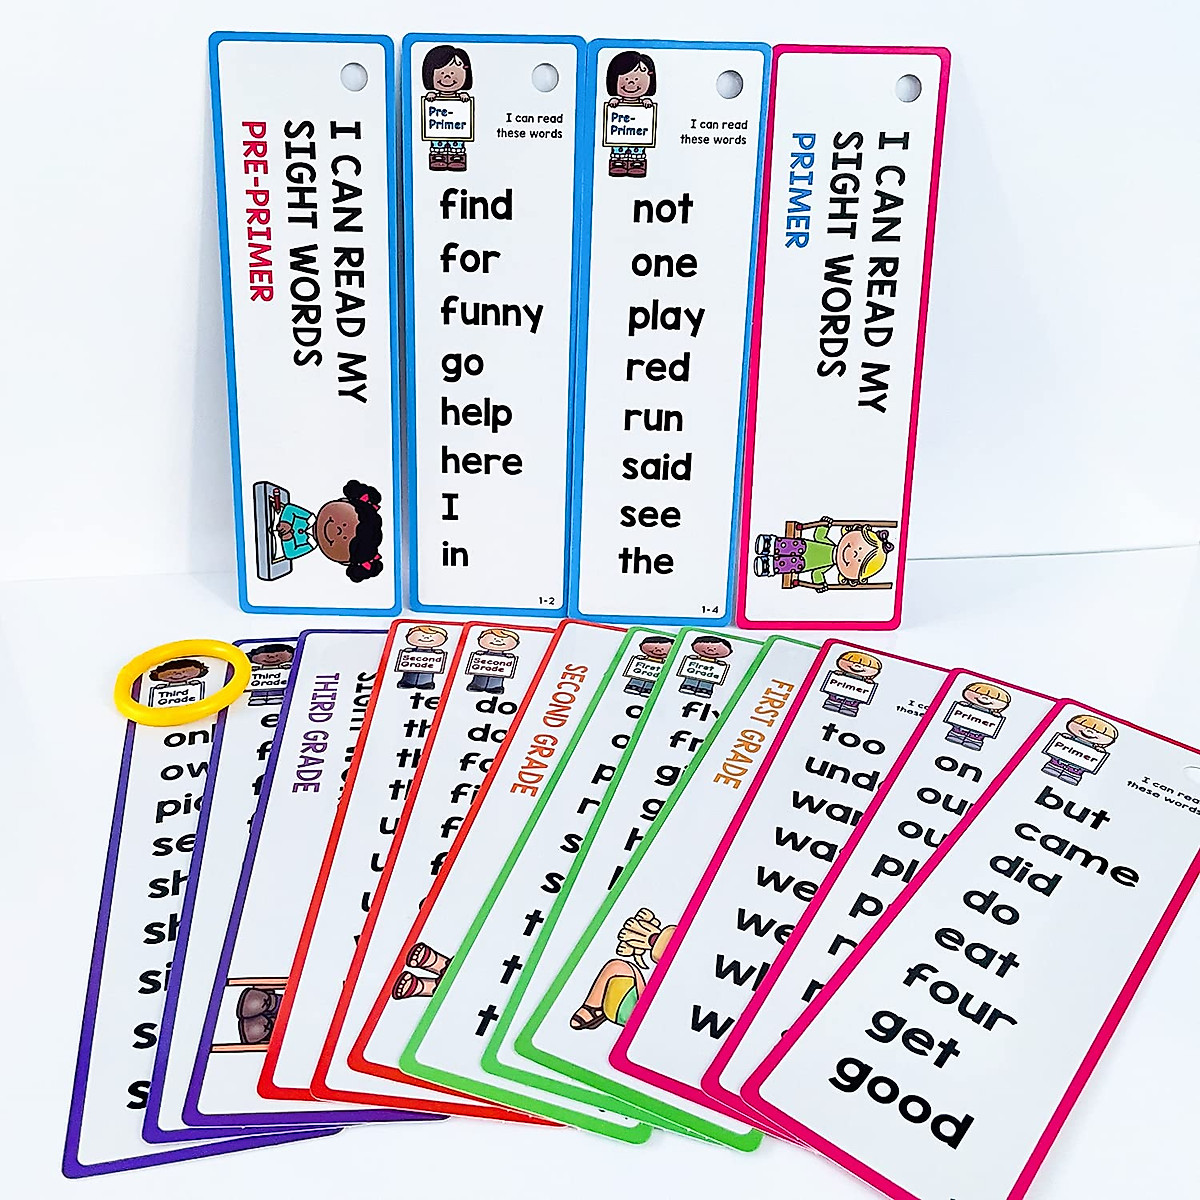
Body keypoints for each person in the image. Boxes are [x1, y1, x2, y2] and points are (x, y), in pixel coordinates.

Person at [571, 908, 675, 1030]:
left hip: (647, 1017)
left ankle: (594, 1009)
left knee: (617, 967)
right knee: (617, 967)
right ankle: (594, 1007)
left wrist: (637, 974)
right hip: (629, 1007)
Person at [274, 479, 384, 582]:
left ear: (344, 562)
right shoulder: (308, 517)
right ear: (343, 501)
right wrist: (286, 521)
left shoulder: (309, 545)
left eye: (346, 540)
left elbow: (290, 553)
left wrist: (288, 539)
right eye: (344, 521)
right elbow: (290, 509)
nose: (340, 531)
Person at [754, 519, 893, 590]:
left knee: (790, 565)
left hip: (802, 565)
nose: (855, 554)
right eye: (859, 547)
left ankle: (769, 566)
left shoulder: (826, 566)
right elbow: (819, 535)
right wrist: (824, 525)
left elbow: (817, 573)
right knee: (792, 545)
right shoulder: (827, 544)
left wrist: (820, 584)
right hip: (804, 546)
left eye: (859, 561)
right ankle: (770, 544)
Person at [605, 50, 656, 178]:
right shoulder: (616, 103)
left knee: (638, 149)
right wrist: (614, 102)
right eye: (626, 79)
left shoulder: (644, 103)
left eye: (637, 79)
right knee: (618, 148)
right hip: (619, 135)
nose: (631, 83)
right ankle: (618, 163)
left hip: (638, 136)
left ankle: (637, 164)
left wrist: (646, 102)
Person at [422, 44, 473, 171]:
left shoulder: (462, 97)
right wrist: (431, 96)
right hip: (438, 130)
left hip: (458, 130)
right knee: (437, 143)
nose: (447, 77)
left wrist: (463, 96)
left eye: (452, 73)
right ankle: (438, 158)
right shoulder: (433, 97)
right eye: (442, 73)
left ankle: (457, 158)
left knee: (457, 144)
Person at [1042, 714, 1118, 785]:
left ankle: (1072, 776)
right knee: (1056, 763)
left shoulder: (1096, 749)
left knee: (1074, 770)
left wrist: (1099, 750)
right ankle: (1052, 768)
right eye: (1084, 726)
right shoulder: (1068, 739)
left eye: (1098, 732)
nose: (1090, 731)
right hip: (1059, 759)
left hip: (1076, 768)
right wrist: (1066, 738)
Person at [945, 681, 1011, 751]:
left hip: (976, 736)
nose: (985, 698)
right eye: (979, 694)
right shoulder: (964, 706)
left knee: (973, 742)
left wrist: (995, 715)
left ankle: (973, 743)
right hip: (958, 730)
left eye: (992, 698)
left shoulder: (993, 715)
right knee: (954, 736)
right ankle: (955, 736)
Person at [822, 650, 882, 717]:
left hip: (852, 700)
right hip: (836, 694)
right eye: (852, 662)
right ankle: (832, 704)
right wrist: (838, 674)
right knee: (834, 699)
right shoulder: (840, 675)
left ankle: (849, 709)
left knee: (851, 704)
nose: (857, 666)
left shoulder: (865, 681)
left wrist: (868, 682)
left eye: (865, 665)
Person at [465, 628, 520, 694]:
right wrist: (479, 654)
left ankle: (495, 687)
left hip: (498, 670)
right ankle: (477, 685)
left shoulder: (507, 658)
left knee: (496, 677)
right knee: (481, 675)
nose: (498, 641)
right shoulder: (481, 655)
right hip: (483, 668)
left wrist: (509, 657)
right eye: (494, 638)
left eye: (502, 639)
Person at [397, 625, 450, 690]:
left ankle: (425, 683)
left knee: (426, 673)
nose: (426, 638)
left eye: (431, 636)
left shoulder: (435, 654)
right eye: (421, 635)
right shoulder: (410, 652)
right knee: (410, 673)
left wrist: (438, 653)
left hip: (427, 669)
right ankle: (407, 682)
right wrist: (408, 652)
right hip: (412, 666)